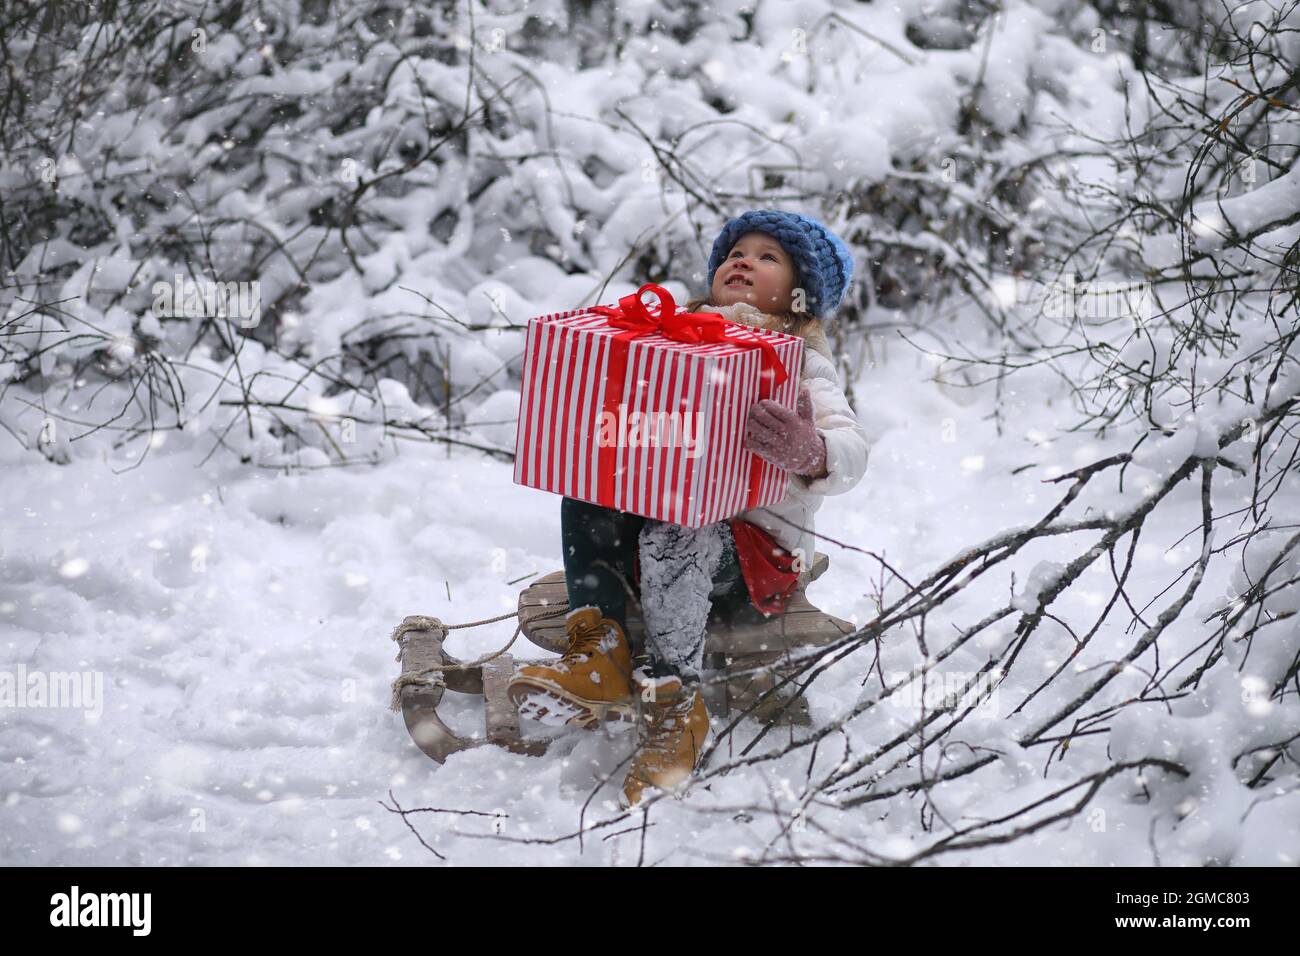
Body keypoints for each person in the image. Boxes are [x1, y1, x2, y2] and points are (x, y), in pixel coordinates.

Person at [508, 210, 871, 807]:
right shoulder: (673, 340)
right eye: (735, 252)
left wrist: (811, 450)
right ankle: (597, 649)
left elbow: (853, 450)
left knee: (682, 517)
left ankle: (675, 699)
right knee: (590, 486)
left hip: (750, 564)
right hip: (654, 534)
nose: (743, 261)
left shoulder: (799, 358)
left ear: (800, 292)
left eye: (767, 257)